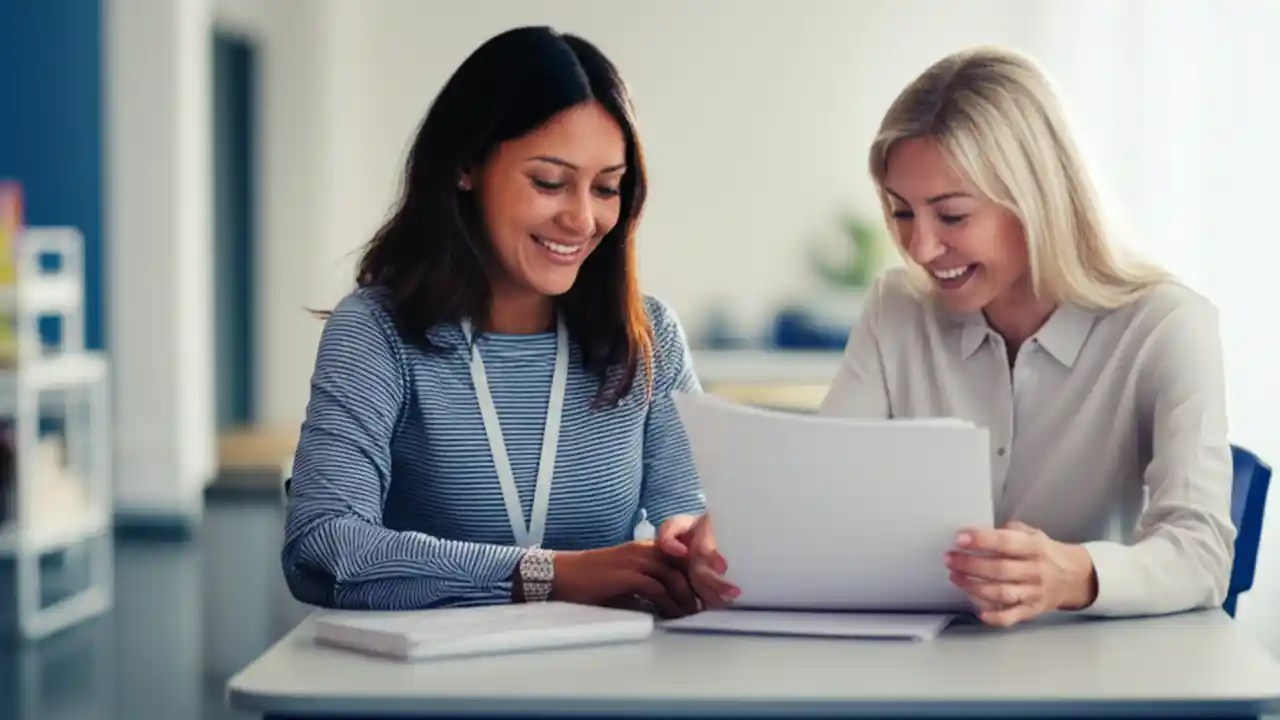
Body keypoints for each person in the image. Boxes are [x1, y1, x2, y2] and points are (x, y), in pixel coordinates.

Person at [689, 46, 1235, 627]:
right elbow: (825, 500)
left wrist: (1072, 574)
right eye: (901, 214)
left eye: (951, 216)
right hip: (913, 666)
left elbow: (1202, 551)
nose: (921, 249)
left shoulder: (1167, 326)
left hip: (1086, 668)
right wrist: (743, 537)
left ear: (1037, 201)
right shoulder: (896, 309)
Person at [281, 26, 707, 616]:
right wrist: (551, 574)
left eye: (607, 187)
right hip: (423, 687)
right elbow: (322, 545)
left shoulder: (649, 335)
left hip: (604, 680)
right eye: (549, 182)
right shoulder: (375, 334)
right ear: (465, 166)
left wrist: (694, 550)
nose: (582, 219)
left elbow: (688, 511)